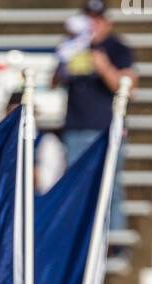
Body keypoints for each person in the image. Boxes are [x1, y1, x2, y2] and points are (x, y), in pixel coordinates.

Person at [54, 0, 136, 237]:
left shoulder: (118, 49)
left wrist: (104, 67)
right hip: (76, 128)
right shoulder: (72, 46)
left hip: (107, 129)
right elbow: (54, 81)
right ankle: (81, 239)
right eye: (89, 17)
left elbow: (129, 89)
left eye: (97, 19)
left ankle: (115, 240)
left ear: (107, 22)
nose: (93, 24)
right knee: (77, 188)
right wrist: (65, 63)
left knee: (110, 186)